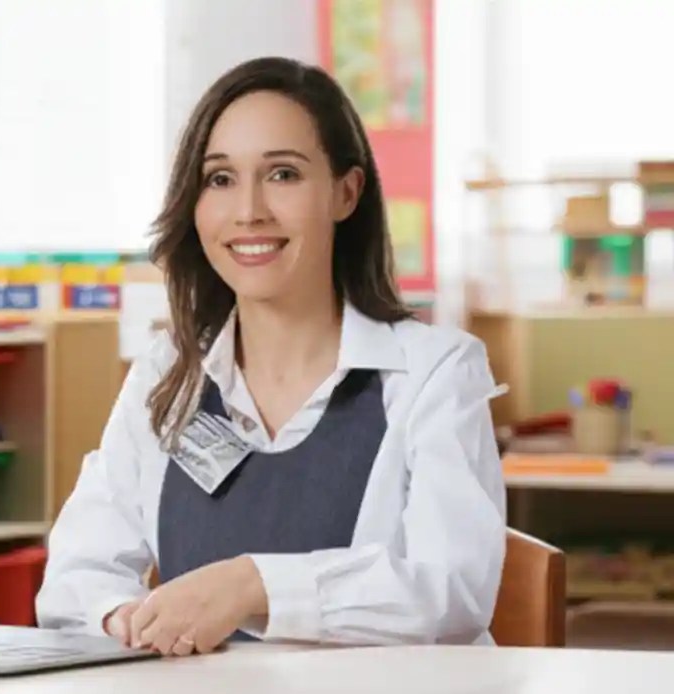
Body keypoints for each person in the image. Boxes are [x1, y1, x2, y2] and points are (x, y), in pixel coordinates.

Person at [35, 56, 507, 656]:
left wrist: (253, 586)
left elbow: (452, 592)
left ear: (346, 192)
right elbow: (77, 574)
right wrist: (122, 619)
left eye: (283, 174)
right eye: (220, 179)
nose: (249, 211)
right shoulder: (169, 371)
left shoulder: (434, 373)